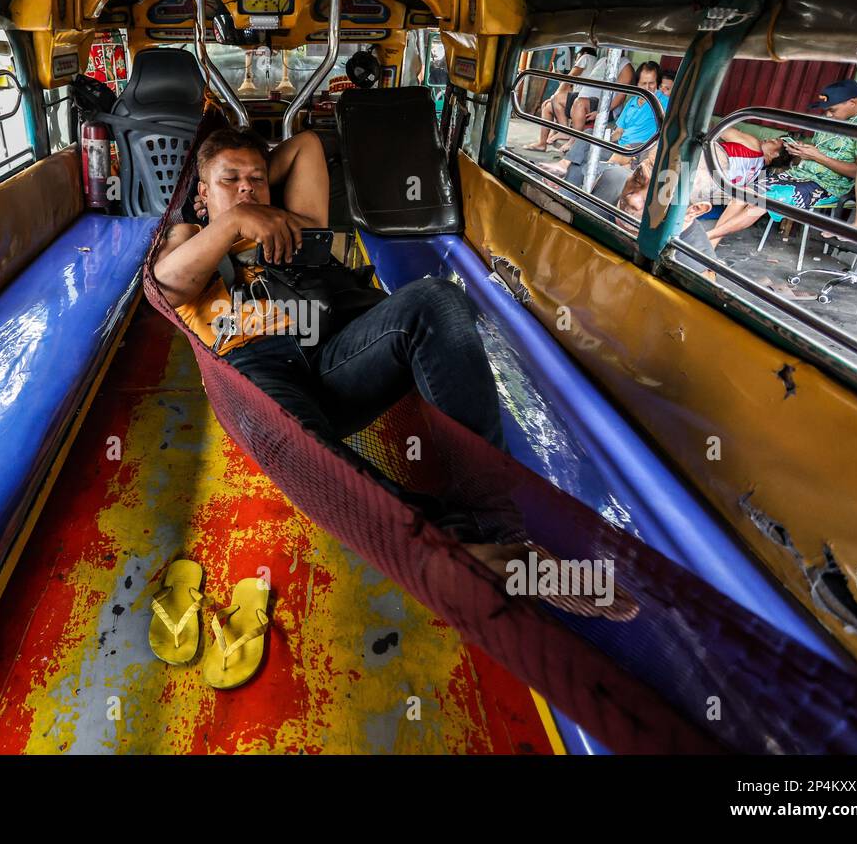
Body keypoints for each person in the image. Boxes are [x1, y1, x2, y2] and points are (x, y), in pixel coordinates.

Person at [152, 128, 519, 561]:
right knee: (293, 438)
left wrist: (253, 195)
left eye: (257, 177)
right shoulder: (188, 235)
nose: (246, 186)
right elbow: (164, 288)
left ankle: (493, 525)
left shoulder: (292, 224)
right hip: (261, 369)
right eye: (229, 179)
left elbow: (306, 144)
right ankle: (449, 542)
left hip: (338, 355)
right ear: (202, 192)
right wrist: (233, 218)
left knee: (437, 297)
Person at [705, 80, 857, 246]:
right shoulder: (833, 117)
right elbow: (820, 148)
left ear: (852, 103)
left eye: (832, 110)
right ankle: (710, 247)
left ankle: (708, 238)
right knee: (742, 194)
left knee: (759, 203)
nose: (828, 114)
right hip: (799, 175)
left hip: (828, 185)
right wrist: (803, 151)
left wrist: (817, 156)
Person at [522, 48, 595, 152]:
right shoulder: (596, 62)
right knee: (547, 106)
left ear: (584, 53)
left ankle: (564, 130)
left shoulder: (586, 57)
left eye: (577, 58)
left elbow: (571, 76)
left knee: (556, 99)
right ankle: (543, 143)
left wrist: (556, 94)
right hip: (582, 96)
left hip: (584, 98)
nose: (576, 61)